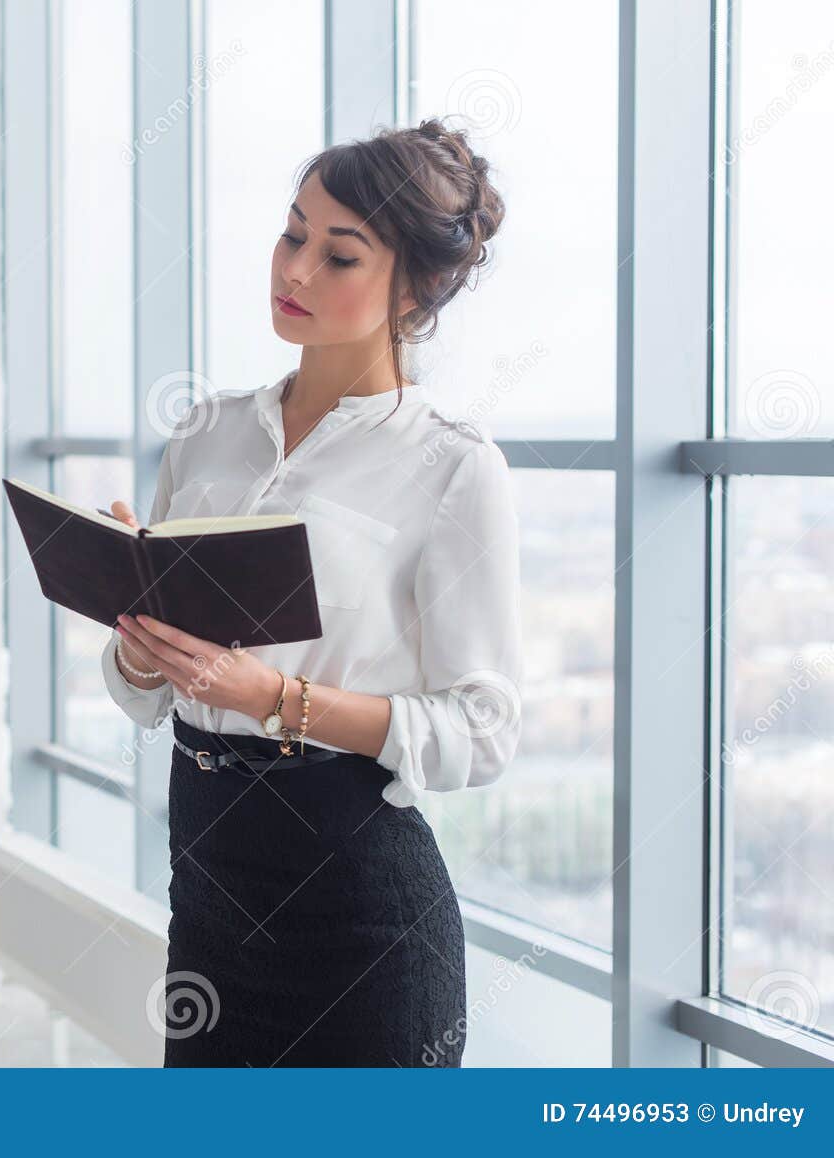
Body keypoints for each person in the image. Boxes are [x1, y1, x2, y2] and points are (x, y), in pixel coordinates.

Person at [104, 117, 522, 1067]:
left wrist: (274, 697)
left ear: (411, 288)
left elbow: (483, 729)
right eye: (292, 234)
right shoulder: (206, 432)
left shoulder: (453, 466)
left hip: (361, 917)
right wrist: (139, 645)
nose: (294, 270)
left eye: (339, 255)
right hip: (208, 893)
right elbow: (146, 696)